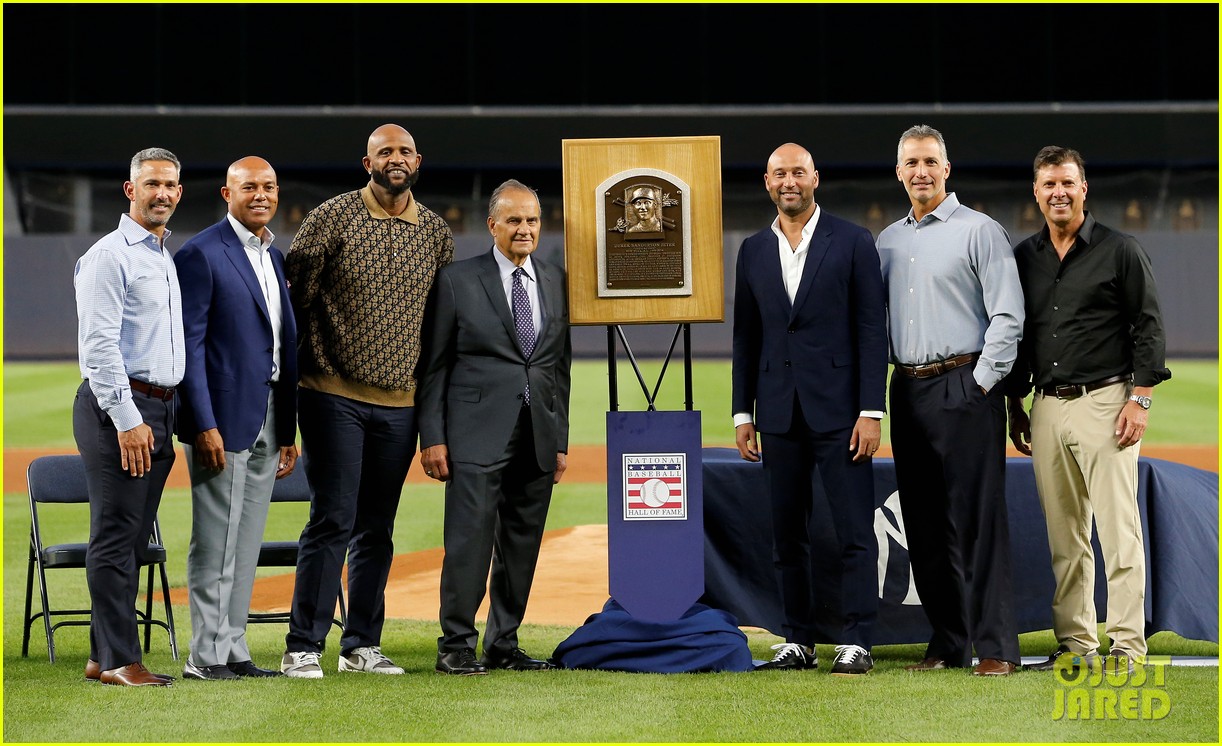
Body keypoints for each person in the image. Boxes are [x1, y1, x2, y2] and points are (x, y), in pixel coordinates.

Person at [280, 124, 455, 678]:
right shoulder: (331, 217)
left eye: (404, 152)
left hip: (401, 404)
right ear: (368, 162)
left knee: (377, 527)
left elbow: (438, 327)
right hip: (332, 394)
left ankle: (361, 645)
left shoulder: (433, 231)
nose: (395, 159)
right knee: (332, 518)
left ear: (418, 161)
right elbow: (295, 303)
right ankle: (302, 645)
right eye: (386, 152)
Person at [1005, 146, 1170, 673]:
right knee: (1065, 536)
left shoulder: (1120, 249)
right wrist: (1016, 404)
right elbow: (1021, 337)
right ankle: (1077, 642)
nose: (1058, 192)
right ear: (1036, 192)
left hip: (1107, 401)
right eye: (1049, 184)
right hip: (1048, 405)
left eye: (1067, 183)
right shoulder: (1024, 256)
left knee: (1119, 533)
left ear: (1083, 189)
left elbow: (1149, 325)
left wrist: (1139, 400)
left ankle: (1126, 645)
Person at [731, 143, 887, 676]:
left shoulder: (852, 240)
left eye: (798, 172)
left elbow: (871, 330)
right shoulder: (752, 249)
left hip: (842, 414)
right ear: (767, 182)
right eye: (780, 174)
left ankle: (856, 639)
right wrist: (741, 413)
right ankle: (797, 639)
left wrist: (872, 410)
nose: (789, 181)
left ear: (815, 177)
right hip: (776, 414)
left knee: (852, 532)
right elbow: (746, 338)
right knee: (786, 536)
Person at [876, 124, 1025, 676]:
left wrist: (981, 383)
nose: (921, 171)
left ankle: (995, 648)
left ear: (946, 168)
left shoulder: (980, 231)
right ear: (898, 171)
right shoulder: (887, 241)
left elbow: (1008, 315)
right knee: (924, 523)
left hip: (963, 384)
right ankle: (948, 642)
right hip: (908, 388)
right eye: (911, 162)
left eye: (930, 162)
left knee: (977, 521)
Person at [419, 179, 572, 676]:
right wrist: (434, 437)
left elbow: (558, 368)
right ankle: (456, 645)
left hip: (538, 433)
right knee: (469, 542)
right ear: (492, 225)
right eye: (514, 220)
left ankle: (503, 643)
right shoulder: (458, 280)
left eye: (531, 220)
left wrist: (561, 439)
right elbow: (434, 367)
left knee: (522, 545)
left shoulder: (555, 279)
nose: (524, 229)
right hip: (473, 433)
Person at [173, 156, 299, 680]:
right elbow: (190, 349)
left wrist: (288, 427)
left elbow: (282, 343)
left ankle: (234, 649)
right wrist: (202, 424)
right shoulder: (201, 254)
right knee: (216, 540)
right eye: (250, 187)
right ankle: (205, 655)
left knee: (245, 542)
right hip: (222, 419)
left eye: (269, 186)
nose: (262, 195)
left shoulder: (273, 255)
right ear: (227, 194)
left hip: (269, 413)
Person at [73, 147, 185, 687]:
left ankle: (102, 654)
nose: (161, 193)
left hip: (161, 406)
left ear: (179, 193)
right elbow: (97, 348)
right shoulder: (109, 255)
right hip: (121, 406)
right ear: (130, 190)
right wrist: (125, 417)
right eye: (151, 184)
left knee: (134, 540)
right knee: (116, 537)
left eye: (169, 185)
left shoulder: (163, 255)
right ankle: (120, 659)